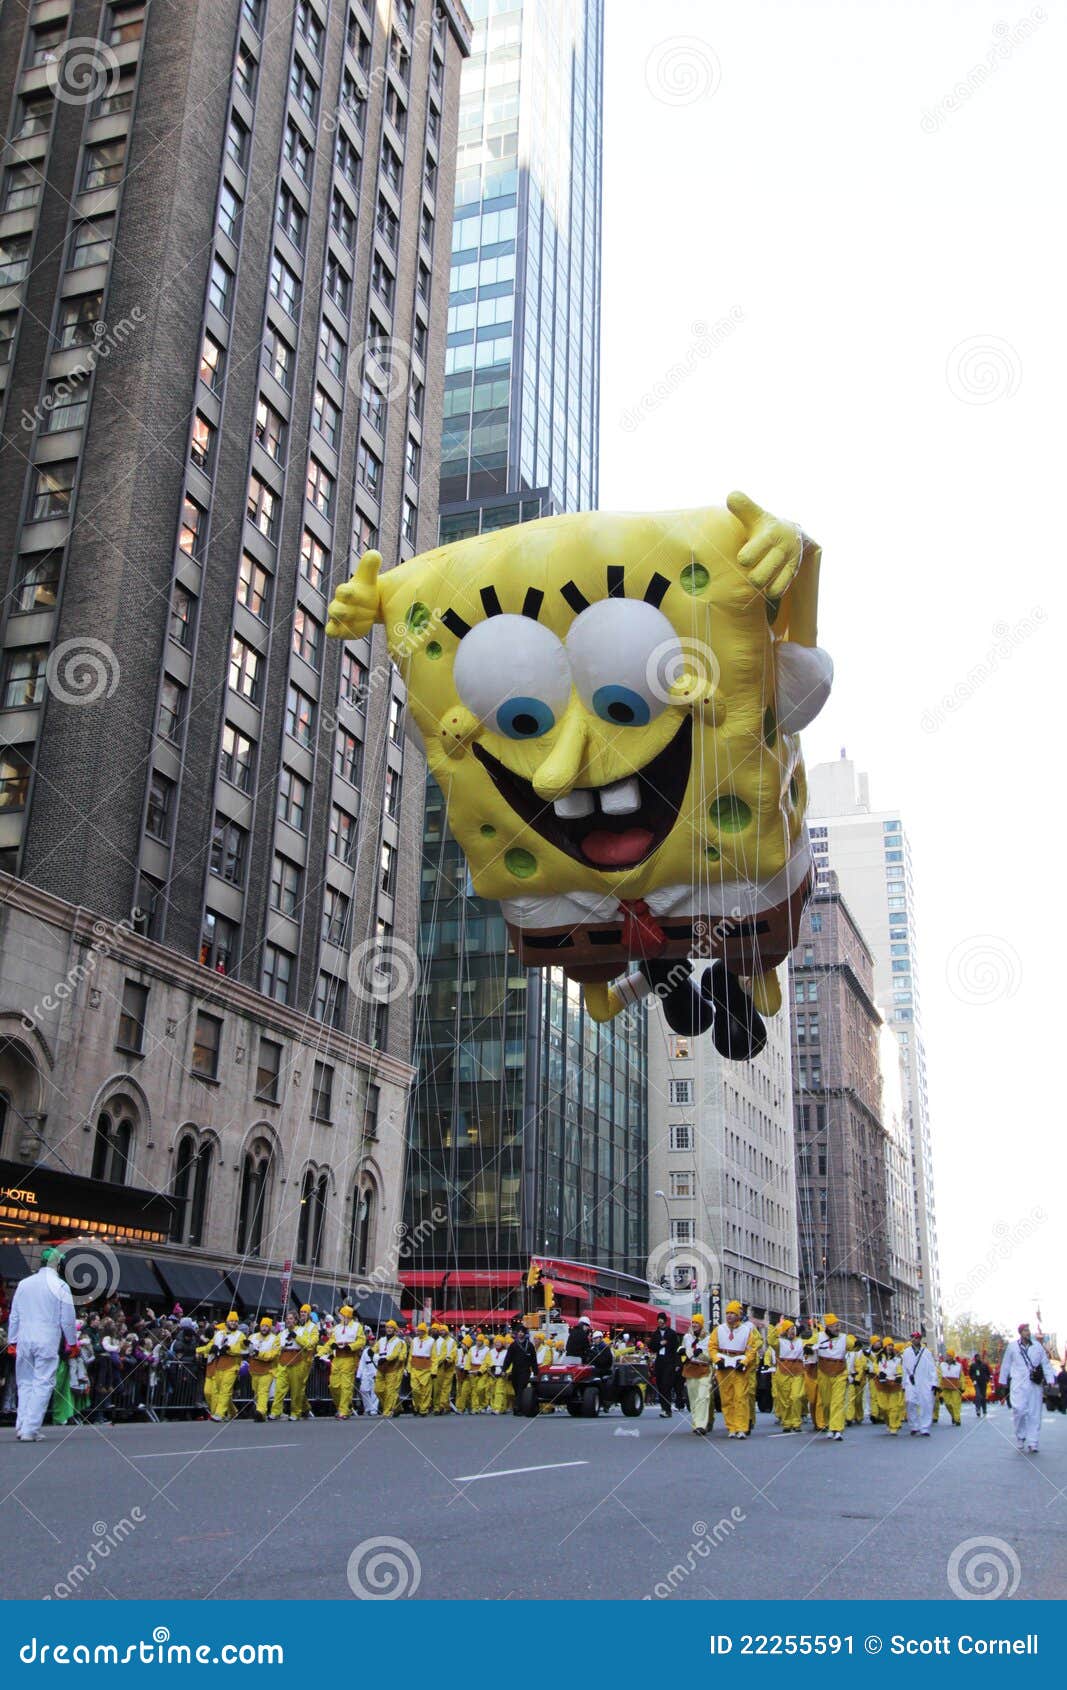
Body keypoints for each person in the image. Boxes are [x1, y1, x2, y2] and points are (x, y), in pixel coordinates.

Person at [8, 1246, 77, 1442]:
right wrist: (72, 1342)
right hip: (47, 1339)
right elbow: (68, 1319)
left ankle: (22, 1425)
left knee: (25, 1383)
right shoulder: (61, 1286)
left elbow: (15, 1316)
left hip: (24, 1338)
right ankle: (30, 1429)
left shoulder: (24, 1283)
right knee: (43, 1382)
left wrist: (12, 1340)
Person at [999, 1322, 1055, 1454]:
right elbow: (1006, 1364)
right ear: (1020, 1333)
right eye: (1025, 1330)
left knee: (1034, 1413)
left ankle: (1033, 1442)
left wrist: (1050, 1379)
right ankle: (1020, 1436)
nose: (1028, 1332)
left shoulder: (1038, 1347)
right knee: (1018, 1410)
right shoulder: (1012, 1347)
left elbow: (1045, 1364)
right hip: (1018, 1384)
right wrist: (1002, 1382)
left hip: (1034, 1384)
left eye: (1028, 1330)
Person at [709, 1301, 760, 1438]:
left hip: (739, 1368)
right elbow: (712, 1347)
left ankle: (741, 1428)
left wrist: (744, 1362)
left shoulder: (746, 1331)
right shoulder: (719, 1329)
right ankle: (731, 1427)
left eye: (732, 1313)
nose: (729, 1316)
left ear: (738, 1315)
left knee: (741, 1398)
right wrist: (716, 1360)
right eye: (728, 1313)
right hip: (723, 1367)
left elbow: (751, 1350)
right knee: (727, 1398)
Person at [815, 1313, 849, 1441]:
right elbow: (809, 1344)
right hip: (824, 1372)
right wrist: (807, 1348)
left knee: (838, 1401)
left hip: (840, 1372)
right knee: (827, 1402)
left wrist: (857, 1345)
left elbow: (853, 1343)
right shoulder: (818, 1337)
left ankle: (837, 1429)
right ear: (828, 1327)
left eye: (839, 1325)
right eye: (835, 1326)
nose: (838, 1328)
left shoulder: (844, 1338)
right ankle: (830, 1425)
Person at [330, 1306, 365, 1420]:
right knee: (334, 1386)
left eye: (342, 1314)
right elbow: (331, 1341)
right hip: (337, 1359)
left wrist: (350, 1347)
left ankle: (344, 1411)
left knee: (346, 1386)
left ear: (348, 1316)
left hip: (349, 1359)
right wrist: (322, 1352)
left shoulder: (357, 1327)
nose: (340, 1316)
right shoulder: (337, 1328)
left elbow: (361, 1341)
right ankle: (343, 1406)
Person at [681, 1313, 713, 1436]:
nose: (694, 1325)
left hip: (704, 1369)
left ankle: (701, 1425)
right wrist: (682, 1352)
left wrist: (701, 1354)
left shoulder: (708, 1338)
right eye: (693, 1322)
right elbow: (684, 1351)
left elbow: (710, 1356)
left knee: (703, 1397)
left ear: (701, 1324)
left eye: (697, 1323)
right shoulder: (687, 1337)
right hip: (691, 1369)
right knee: (693, 1398)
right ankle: (696, 1423)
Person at [902, 1330, 937, 1436]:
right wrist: (904, 1382)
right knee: (910, 1402)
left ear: (920, 1339)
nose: (914, 1339)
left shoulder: (926, 1352)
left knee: (925, 1404)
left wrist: (934, 1382)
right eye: (912, 1337)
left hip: (924, 1381)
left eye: (916, 1338)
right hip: (910, 1381)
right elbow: (904, 1368)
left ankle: (924, 1427)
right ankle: (914, 1425)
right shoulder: (906, 1352)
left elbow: (932, 1368)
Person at [502, 1320, 539, 1413]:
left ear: (524, 1333)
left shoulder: (529, 1345)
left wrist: (535, 1371)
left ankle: (517, 1408)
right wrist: (504, 1369)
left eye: (522, 1332)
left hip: (525, 1370)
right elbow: (508, 1358)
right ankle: (520, 1406)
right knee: (516, 1388)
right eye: (518, 1332)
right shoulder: (513, 1345)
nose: (520, 1333)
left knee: (521, 1388)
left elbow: (533, 1359)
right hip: (515, 1370)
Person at [248, 1317, 282, 1421]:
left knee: (263, 1391)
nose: (264, 1328)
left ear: (270, 1327)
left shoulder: (275, 1339)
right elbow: (247, 1350)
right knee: (256, 1392)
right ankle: (261, 1411)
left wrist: (259, 1354)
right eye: (263, 1325)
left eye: (266, 1326)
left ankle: (261, 1411)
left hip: (268, 1370)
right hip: (254, 1370)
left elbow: (272, 1355)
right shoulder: (252, 1337)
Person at [647, 1312, 680, 1418]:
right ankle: (663, 1407)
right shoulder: (655, 1334)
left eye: (662, 1320)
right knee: (660, 1385)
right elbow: (651, 1347)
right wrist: (660, 1344)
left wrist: (677, 1363)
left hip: (669, 1361)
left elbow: (676, 1349)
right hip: (659, 1361)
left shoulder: (672, 1333)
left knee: (666, 1385)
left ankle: (667, 1408)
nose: (660, 1322)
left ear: (665, 1321)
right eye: (659, 1320)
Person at [775, 1319, 806, 1432]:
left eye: (793, 1328)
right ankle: (787, 1422)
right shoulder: (779, 1342)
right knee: (785, 1399)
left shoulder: (801, 1342)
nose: (792, 1331)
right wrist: (777, 1328)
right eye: (789, 1329)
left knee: (796, 1397)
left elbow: (813, 1343)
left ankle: (796, 1422)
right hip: (783, 1372)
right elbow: (770, 1339)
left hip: (798, 1372)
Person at [374, 1320, 407, 1417]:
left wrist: (386, 1359)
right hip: (381, 1368)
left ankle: (387, 1411)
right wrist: (371, 1352)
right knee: (378, 1390)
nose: (389, 1329)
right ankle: (397, 1407)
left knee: (390, 1391)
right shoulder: (381, 1340)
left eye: (391, 1328)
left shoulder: (399, 1342)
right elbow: (375, 1348)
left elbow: (396, 1355)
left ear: (395, 1330)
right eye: (387, 1327)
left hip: (393, 1368)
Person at [878, 1342, 907, 1434]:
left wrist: (899, 1376)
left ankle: (893, 1427)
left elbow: (899, 1368)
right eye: (888, 1345)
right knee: (883, 1407)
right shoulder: (879, 1358)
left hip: (894, 1385)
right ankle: (888, 1423)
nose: (890, 1347)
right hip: (882, 1386)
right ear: (884, 1347)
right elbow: (875, 1367)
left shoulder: (897, 1359)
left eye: (892, 1345)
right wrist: (879, 1373)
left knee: (893, 1407)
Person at [431, 1323, 457, 1413]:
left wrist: (448, 1360)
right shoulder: (437, 1341)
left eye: (443, 1330)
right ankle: (441, 1405)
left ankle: (442, 1405)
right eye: (440, 1330)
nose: (442, 1332)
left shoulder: (452, 1341)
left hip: (448, 1367)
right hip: (438, 1366)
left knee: (445, 1387)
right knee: (437, 1387)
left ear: (447, 1331)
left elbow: (453, 1353)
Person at [937, 1350, 963, 1427]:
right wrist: (939, 1386)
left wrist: (962, 1387)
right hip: (946, 1387)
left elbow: (962, 1377)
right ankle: (953, 1416)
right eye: (947, 1355)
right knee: (947, 1404)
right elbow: (939, 1376)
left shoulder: (958, 1365)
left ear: (952, 1356)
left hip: (955, 1387)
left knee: (956, 1404)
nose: (948, 1357)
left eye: (949, 1355)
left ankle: (957, 1419)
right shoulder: (942, 1365)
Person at [357, 1337, 379, 1415]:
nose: (372, 1341)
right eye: (370, 1340)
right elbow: (362, 1363)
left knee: (374, 1391)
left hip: (375, 1370)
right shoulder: (365, 1351)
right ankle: (368, 1407)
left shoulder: (379, 1350)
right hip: (366, 1371)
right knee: (363, 1389)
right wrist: (358, 1375)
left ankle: (374, 1410)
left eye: (373, 1340)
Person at [970, 1352, 991, 1418]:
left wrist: (987, 1379)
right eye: (977, 1357)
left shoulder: (984, 1365)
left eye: (979, 1357)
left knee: (983, 1396)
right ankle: (978, 1409)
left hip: (983, 1382)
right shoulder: (973, 1365)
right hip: (976, 1382)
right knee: (978, 1395)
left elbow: (988, 1373)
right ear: (975, 1358)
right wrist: (973, 1379)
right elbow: (970, 1373)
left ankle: (984, 1409)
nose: (978, 1358)